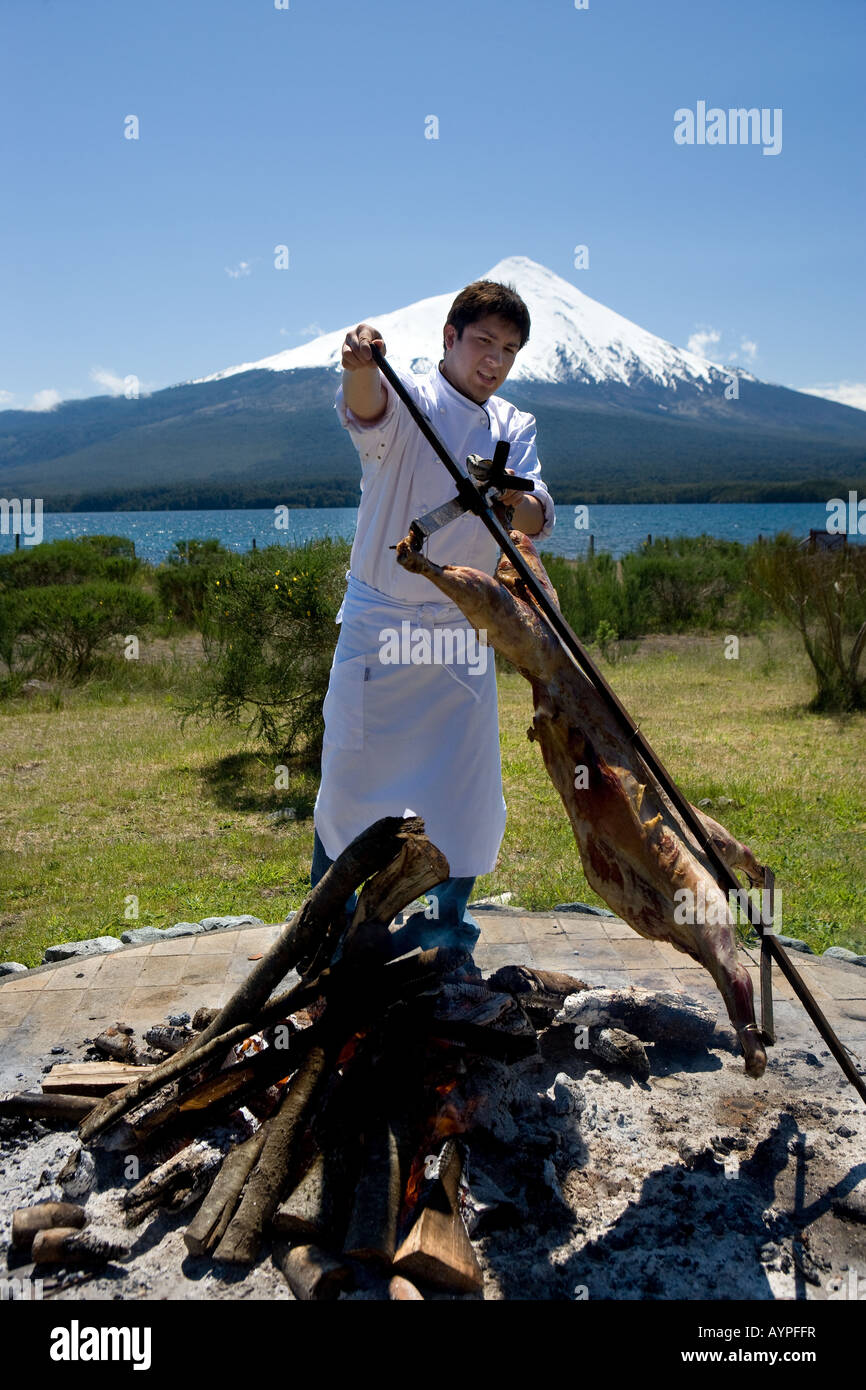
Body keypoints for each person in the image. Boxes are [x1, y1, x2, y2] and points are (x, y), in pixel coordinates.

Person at [311, 278, 555, 949]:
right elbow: (366, 409)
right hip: (380, 628)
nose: (494, 359)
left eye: (509, 349)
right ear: (449, 338)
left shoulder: (513, 428)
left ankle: (444, 940)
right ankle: (326, 941)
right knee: (353, 791)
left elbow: (538, 515)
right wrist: (358, 365)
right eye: (483, 342)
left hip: (456, 634)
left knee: (463, 795)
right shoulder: (410, 400)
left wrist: (507, 495)